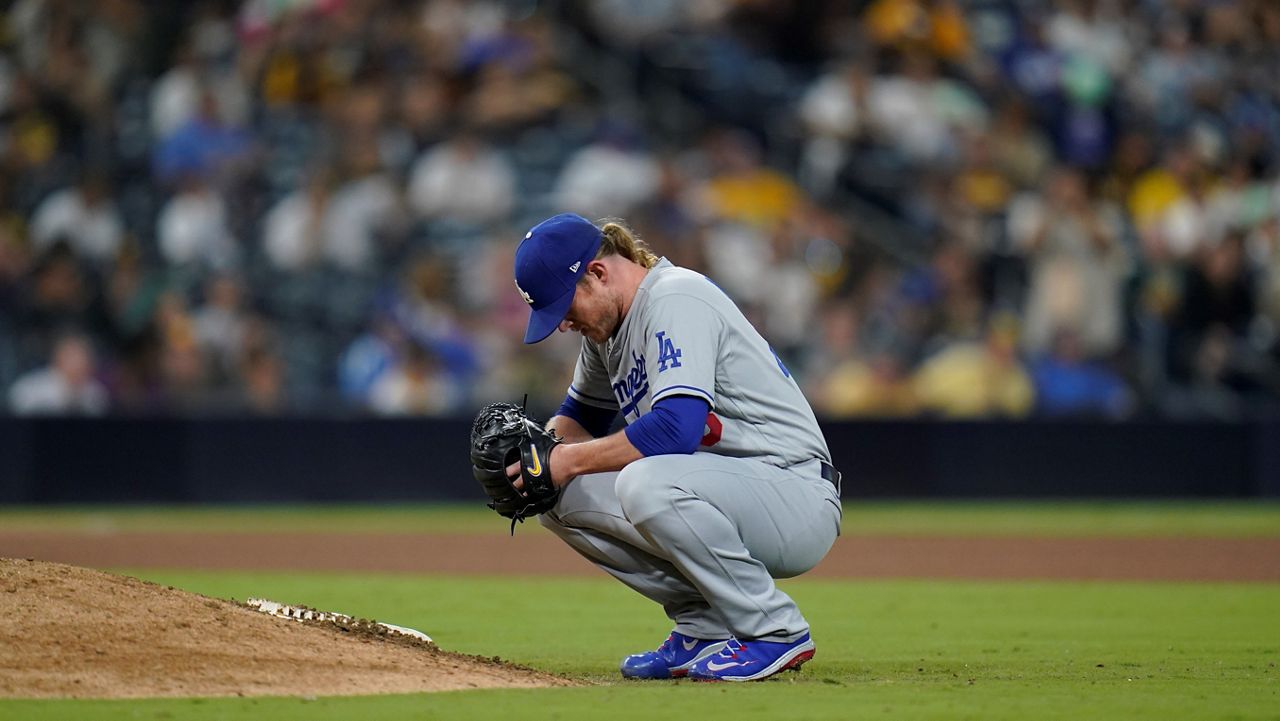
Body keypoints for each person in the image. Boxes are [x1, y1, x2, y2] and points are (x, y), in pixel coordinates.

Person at [509, 213, 842, 682]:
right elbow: (578, 419)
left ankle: (774, 630)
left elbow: (676, 430)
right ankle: (702, 625)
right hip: (720, 488)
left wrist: (564, 459)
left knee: (645, 482)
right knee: (554, 497)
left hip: (793, 492)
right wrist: (536, 458)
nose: (562, 323)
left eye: (564, 305)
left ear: (598, 273)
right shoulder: (607, 331)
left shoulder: (675, 297)